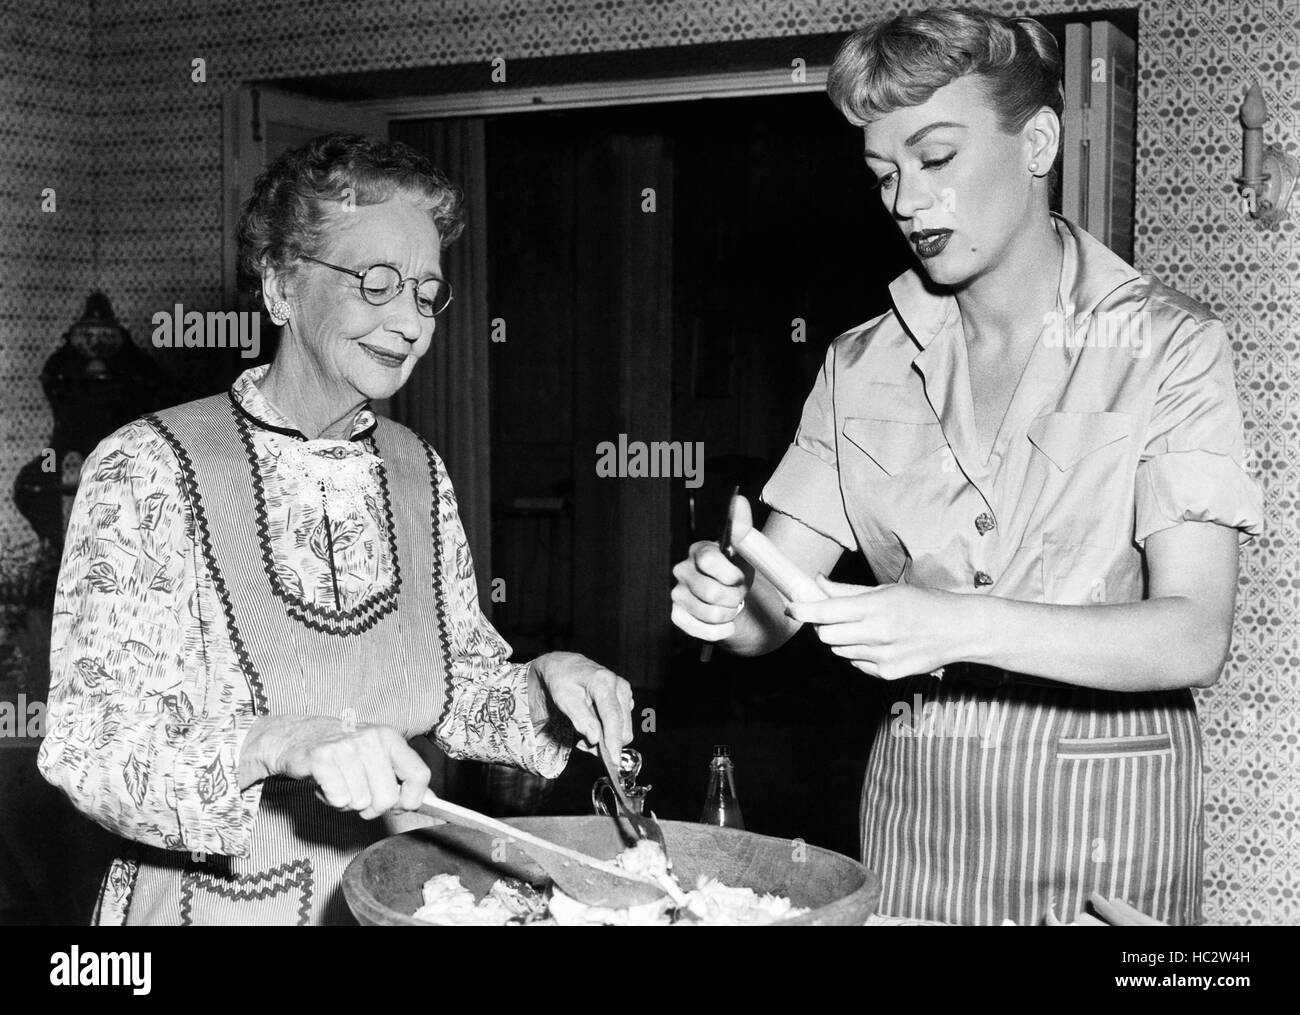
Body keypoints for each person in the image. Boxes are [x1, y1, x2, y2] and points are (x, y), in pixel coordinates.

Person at [670, 6, 1262, 925]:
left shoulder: (1165, 343)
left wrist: (953, 623)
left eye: (937, 159)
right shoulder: (860, 363)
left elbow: (1193, 635)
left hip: (1108, 831)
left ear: (1039, 141)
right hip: (918, 832)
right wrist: (728, 603)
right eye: (883, 174)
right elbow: (772, 608)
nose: (907, 201)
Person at [39, 133, 634, 926]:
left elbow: (456, 691)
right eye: (377, 281)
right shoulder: (150, 467)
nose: (410, 322)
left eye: (426, 291)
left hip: (406, 896)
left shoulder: (418, 469)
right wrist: (282, 741)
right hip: (209, 907)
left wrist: (544, 689)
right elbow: (90, 748)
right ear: (282, 286)